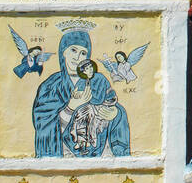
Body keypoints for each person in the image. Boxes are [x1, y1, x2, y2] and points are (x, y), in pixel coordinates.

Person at [31, 29, 130, 157]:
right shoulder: (50, 86)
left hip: (100, 153)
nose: (77, 57)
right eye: (73, 50)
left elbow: (112, 102)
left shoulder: (98, 80)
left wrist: (115, 113)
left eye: (83, 53)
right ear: (63, 52)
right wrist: (70, 108)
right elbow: (43, 125)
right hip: (64, 155)